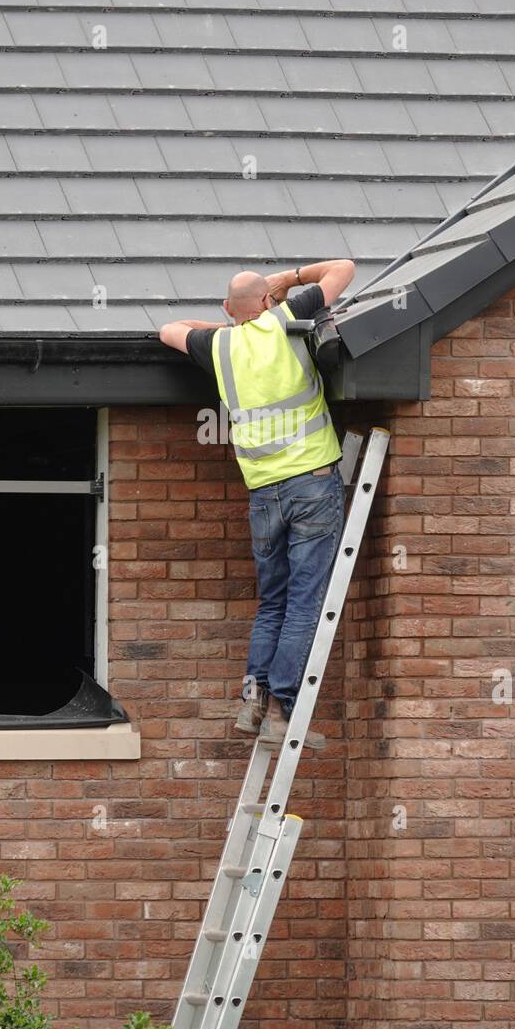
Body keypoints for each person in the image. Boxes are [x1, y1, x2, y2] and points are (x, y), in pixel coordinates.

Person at [158, 259, 355, 751]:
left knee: (273, 602)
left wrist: (230, 321)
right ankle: (283, 711)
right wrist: (286, 280)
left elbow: (169, 329)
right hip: (311, 483)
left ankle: (253, 698)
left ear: (229, 310)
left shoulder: (221, 345)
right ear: (266, 302)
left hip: (263, 493)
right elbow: (344, 268)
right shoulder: (289, 317)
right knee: (305, 603)